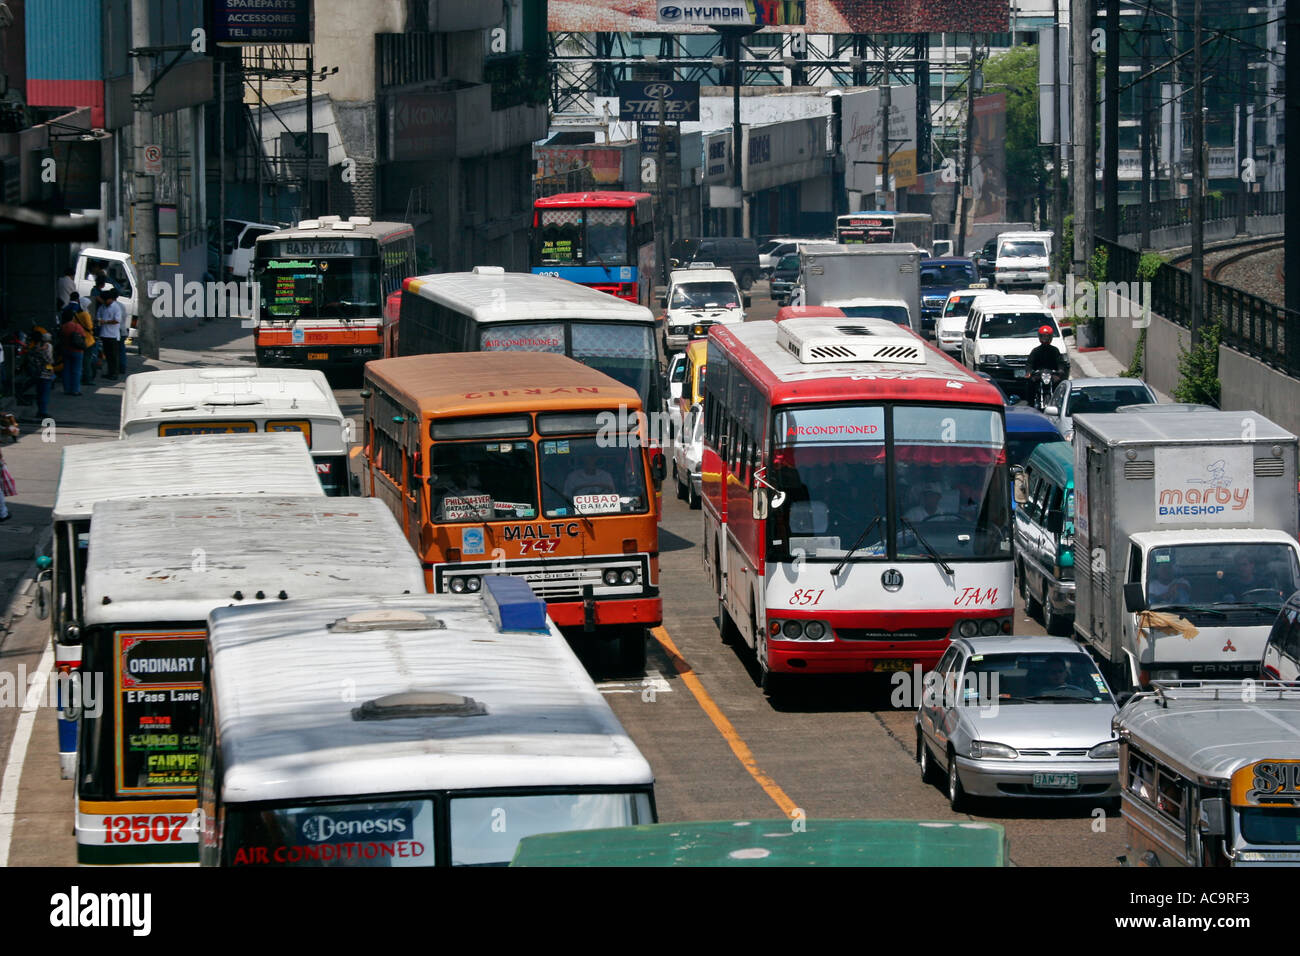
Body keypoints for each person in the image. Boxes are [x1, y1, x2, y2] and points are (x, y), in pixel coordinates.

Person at [1026, 325, 1066, 406]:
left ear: (1051, 337)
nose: (1045, 338)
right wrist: (1029, 371)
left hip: (1052, 374)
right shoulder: (1036, 351)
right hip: (1038, 374)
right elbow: (1029, 363)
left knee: (1060, 384)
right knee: (1030, 383)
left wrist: (1060, 370)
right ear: (1039, 337)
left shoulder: (1055, 350)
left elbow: (1060, 362)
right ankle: (1030, 404)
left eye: (1047, 336)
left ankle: (1060, 402)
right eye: (1043, 336)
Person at [97, 287, 125, 380]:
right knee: (108, 355)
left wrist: (105, 322)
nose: (105, 302)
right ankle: (109, 372)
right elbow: (98, 316)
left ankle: (114, 373)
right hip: (104, 334)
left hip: (113, 335)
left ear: (110, 299)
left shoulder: (115, 307)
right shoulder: (103, 307)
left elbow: (117, 320)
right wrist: (100, 320)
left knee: (114, 356)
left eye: (106, 300)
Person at [59, 304, 86, 396]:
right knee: (76, 371)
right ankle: (75, 390)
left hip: (66, 350)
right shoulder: (77, 326)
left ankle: (66, 389)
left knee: (66, 369)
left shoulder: (63, 327)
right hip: (77, 351)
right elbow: (83, 337)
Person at [33, 332, 54, 418]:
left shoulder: (36, 347)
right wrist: (51, 368)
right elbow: (49, 360)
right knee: (45, 392)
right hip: (46, 371)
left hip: (37, 371)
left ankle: (40, 410)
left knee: (39, 392)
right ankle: (43, 411)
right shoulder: (48, 346)